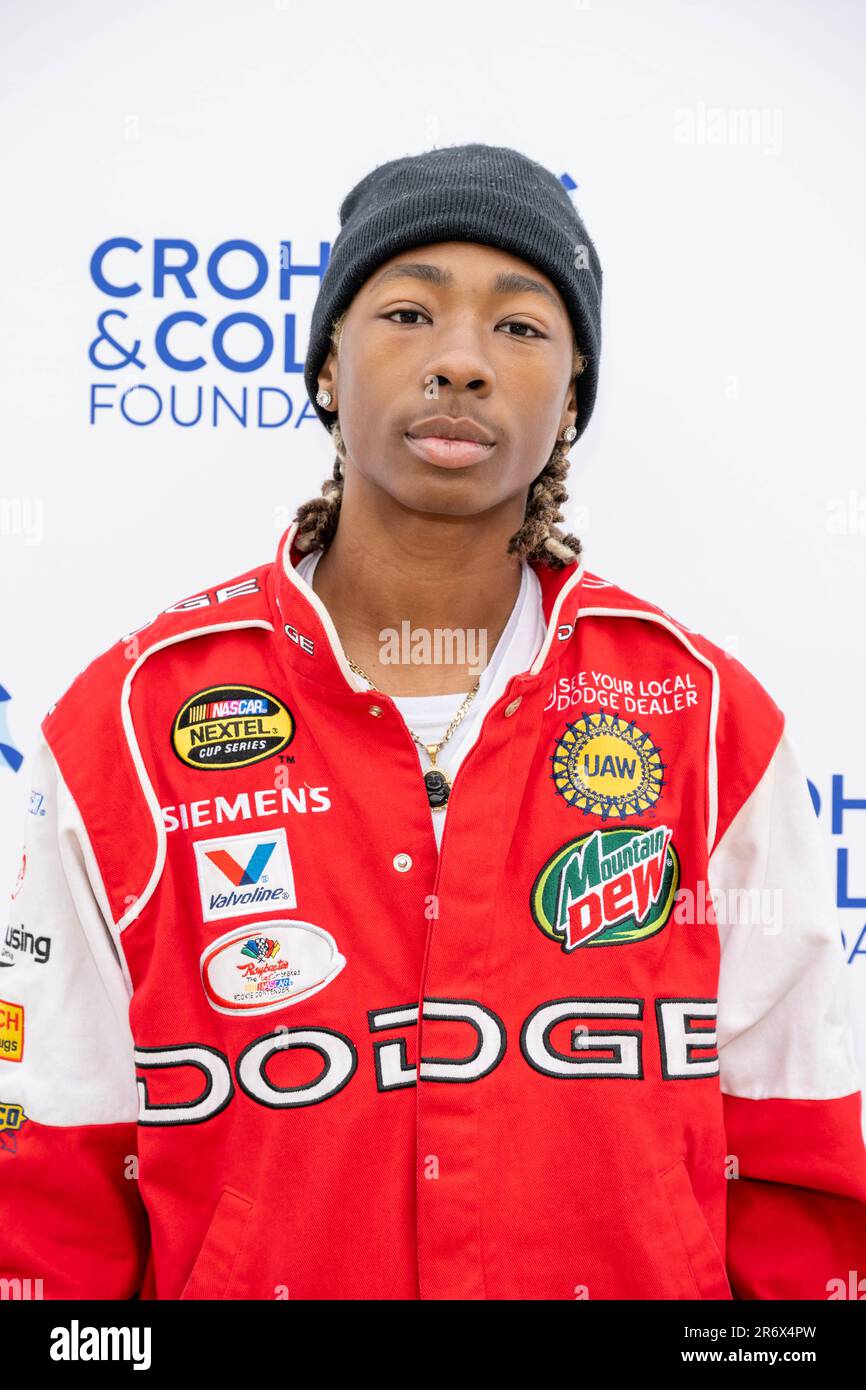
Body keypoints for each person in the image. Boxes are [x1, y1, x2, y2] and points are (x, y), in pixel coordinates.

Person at [1, 143, 864, 1301]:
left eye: (519, 328)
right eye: (408, 310)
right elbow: (50, 1178)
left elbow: (798, 1156)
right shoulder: (129, 723)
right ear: (323, 367)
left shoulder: (702, 718)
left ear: (572, 401)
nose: (459, 361)